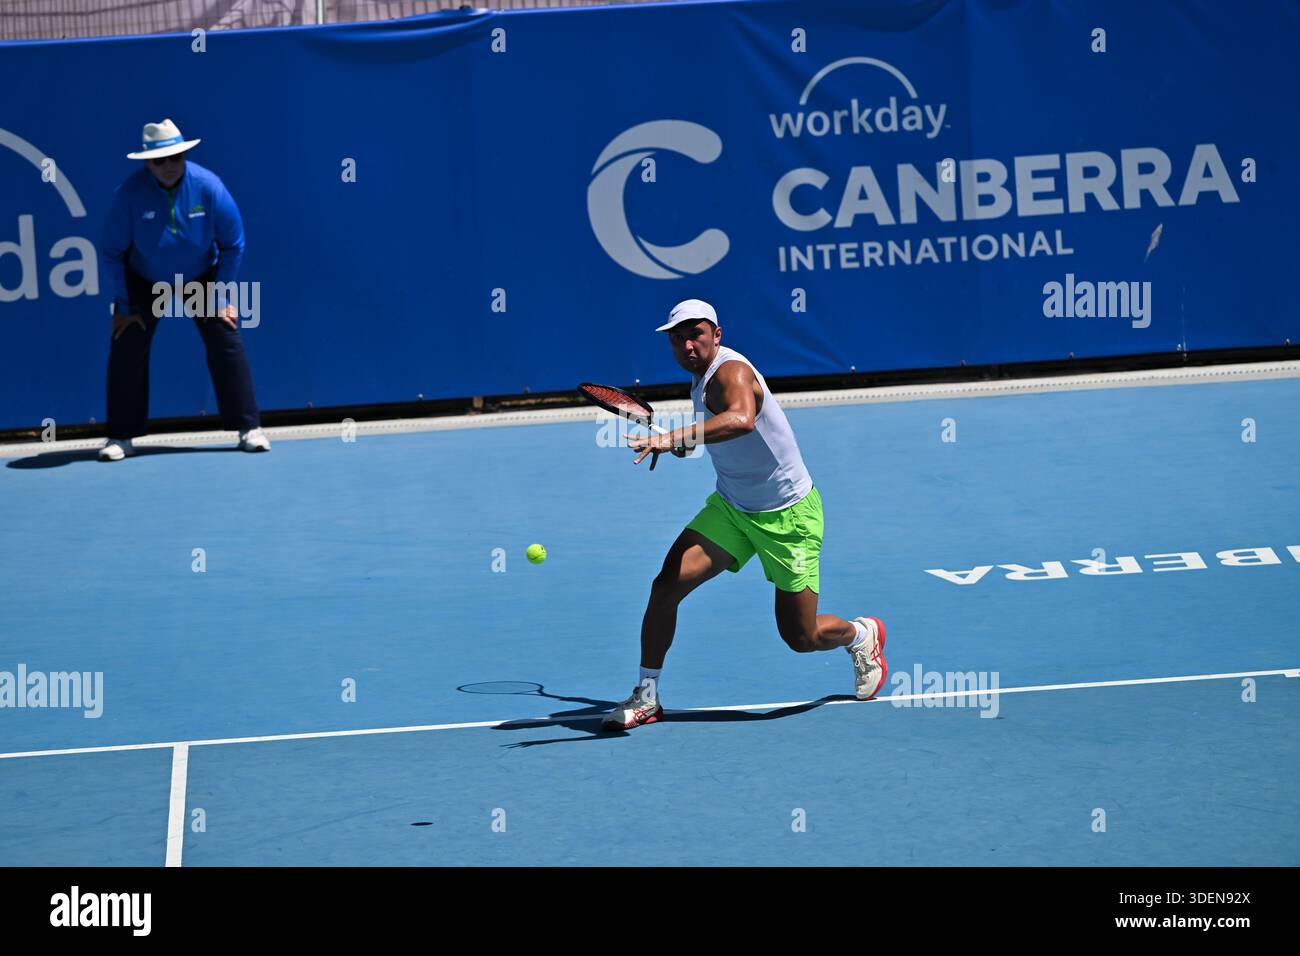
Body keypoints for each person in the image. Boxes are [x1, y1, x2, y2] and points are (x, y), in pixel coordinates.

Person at [602, 299, 887, 730]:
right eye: (677, 338)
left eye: (696, 334)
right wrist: (682, 443)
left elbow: (741, 420)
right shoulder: (699, 378)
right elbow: (722, 437)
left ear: (718, 334)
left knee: (801, 636)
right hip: (733, 508)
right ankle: (647, 695)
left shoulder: (731, 373)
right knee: (665, 587)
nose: (687, 345)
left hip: (788, 518)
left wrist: (676, 436)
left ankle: (860, 635)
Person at [98, 119, 269, 461]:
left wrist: (219, 297)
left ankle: (249, 428)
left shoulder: (209, 187)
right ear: (147, 163)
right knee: (127, 341)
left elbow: (234, 245)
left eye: (175, 157)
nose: (168, 166)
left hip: (200, 275)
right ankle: (121, 436)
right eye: (159, 160)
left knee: (225, 334)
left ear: (185, 155)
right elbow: (112, 251)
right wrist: (125, 305)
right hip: (145, 279)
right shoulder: (129, 196)